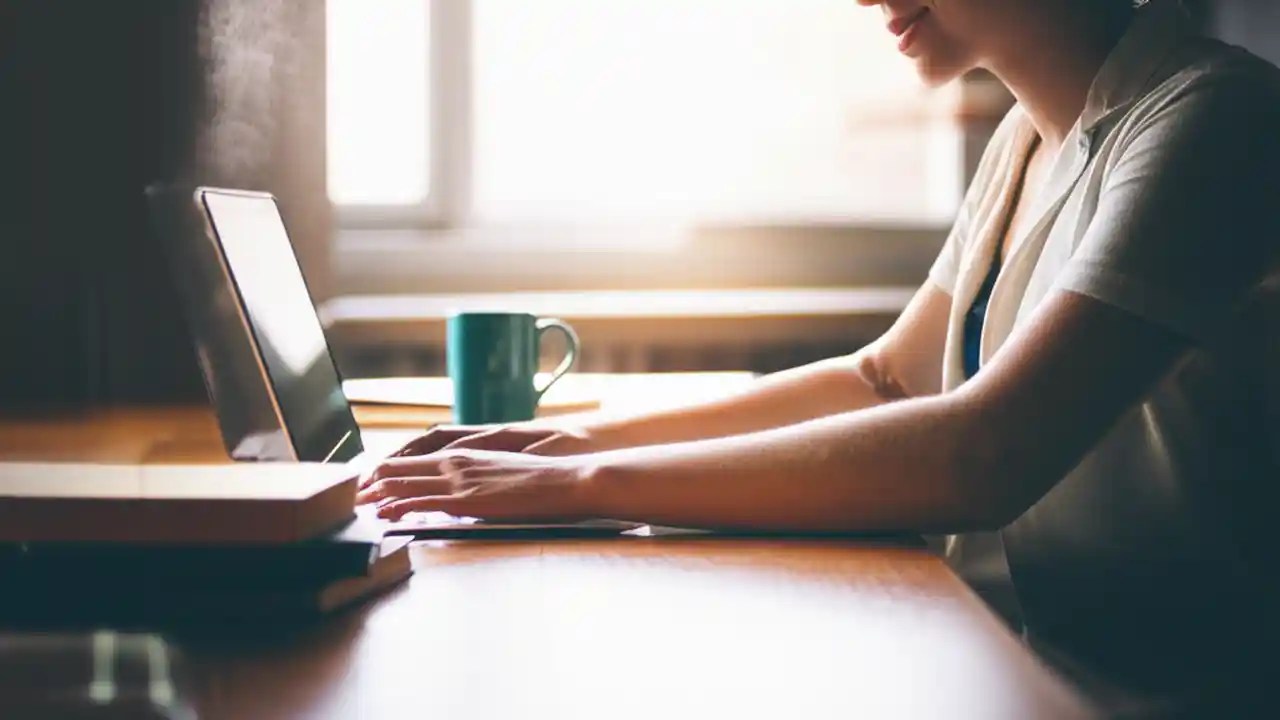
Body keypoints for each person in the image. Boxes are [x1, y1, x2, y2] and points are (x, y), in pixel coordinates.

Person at [360, 0, 1280, 711]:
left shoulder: (1216, 118)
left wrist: (587, 484)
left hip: (1151, 696)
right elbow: (885, 378)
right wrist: (570, 445)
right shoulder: (1025, 139)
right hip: (1017, 665)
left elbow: (987, 453)